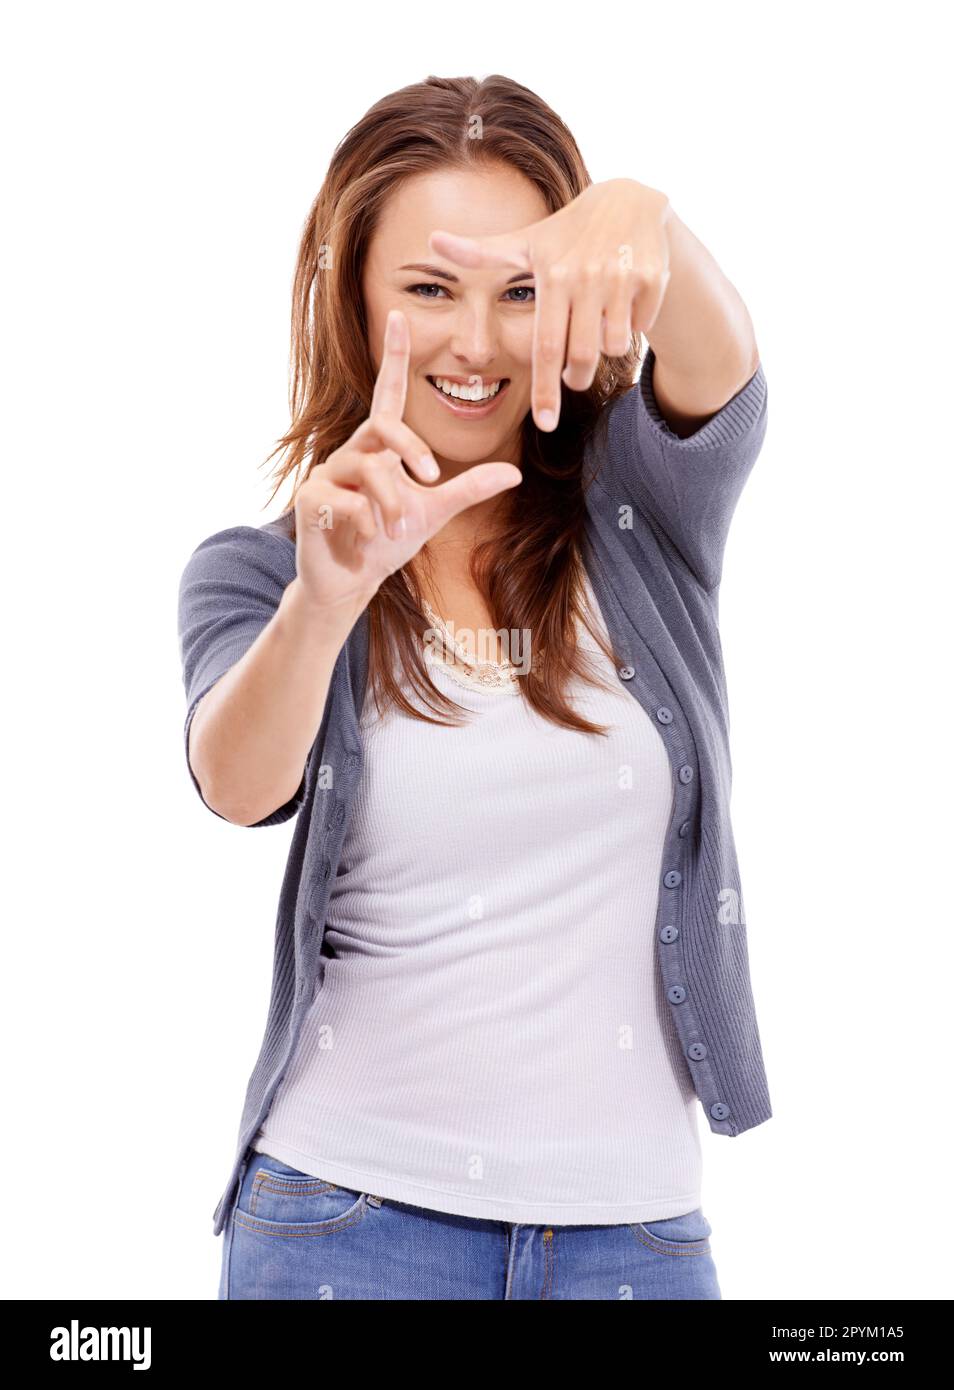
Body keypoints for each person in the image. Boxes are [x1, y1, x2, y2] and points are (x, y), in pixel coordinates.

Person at [177, 73, 771, 1301]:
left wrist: (644, 222)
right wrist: (326, 598)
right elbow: (237, 785)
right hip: (343, 1224)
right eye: (430, 288)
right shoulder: (259, 571)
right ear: (355, 298)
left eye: (520, 290)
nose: (477, 341)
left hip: (635, 1240)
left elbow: (728, 372)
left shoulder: (643, 511)